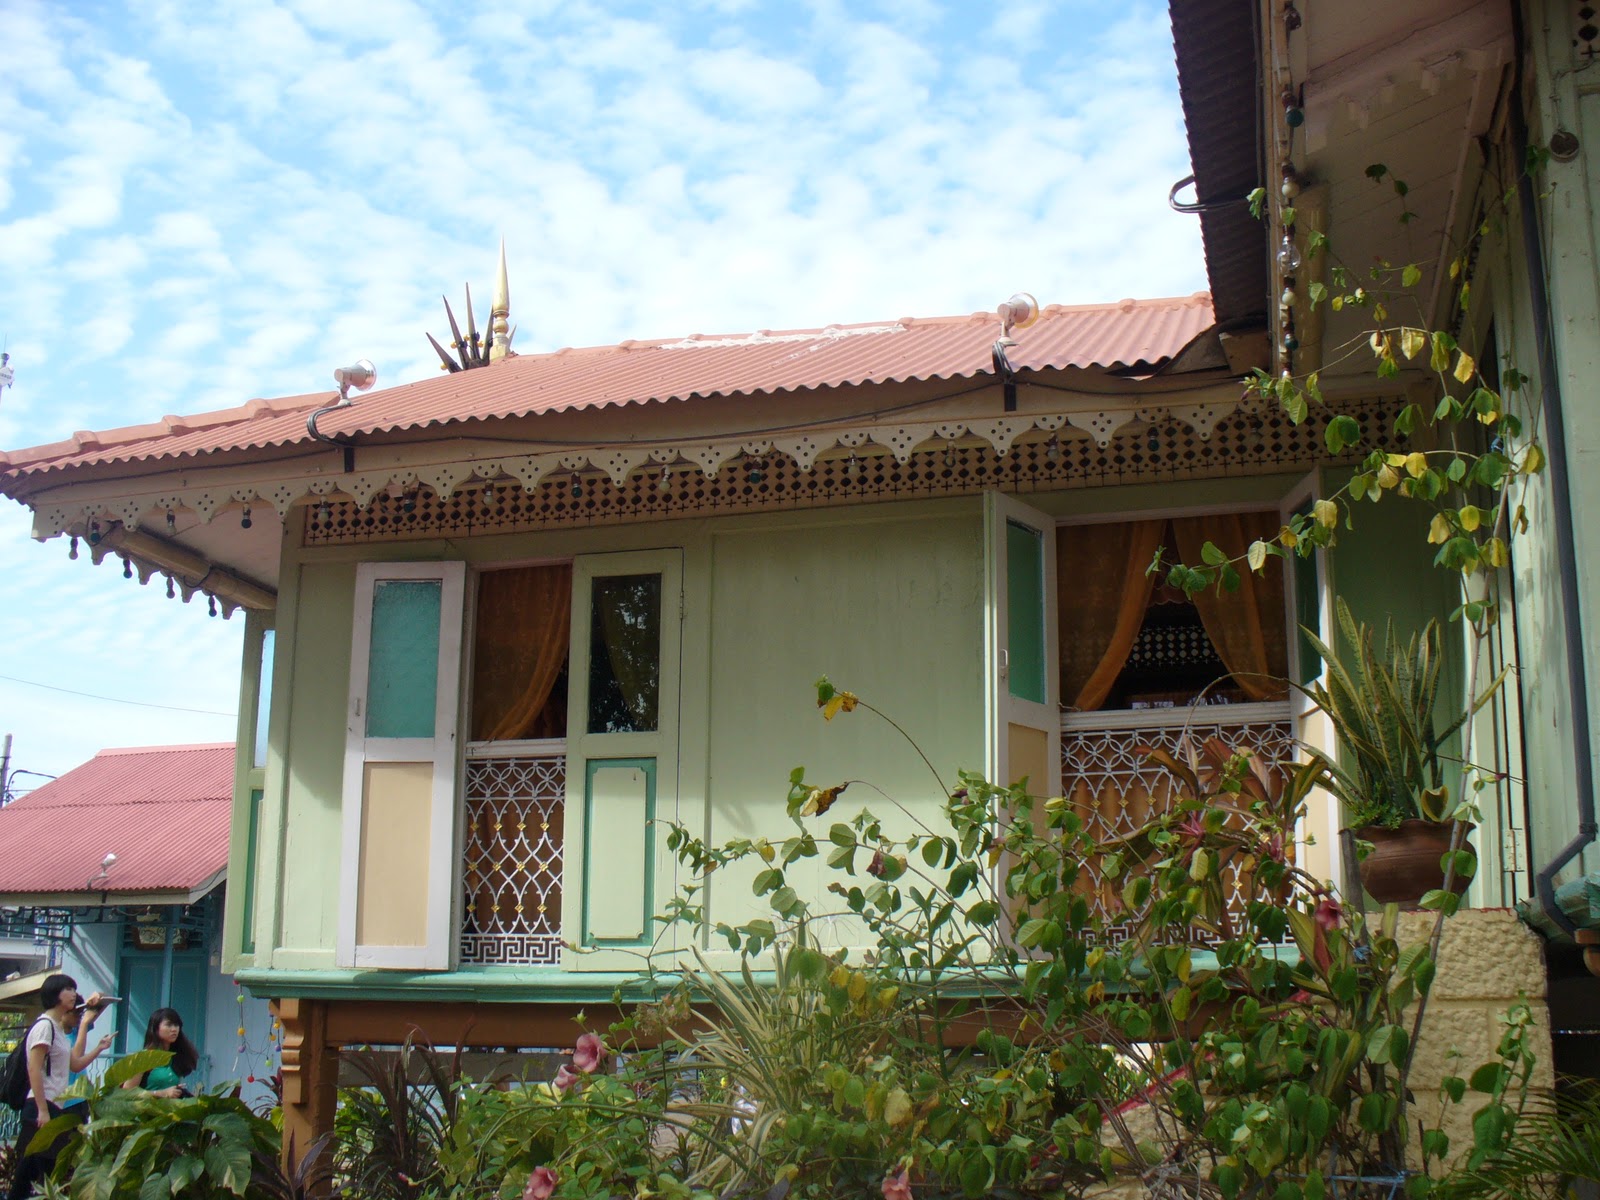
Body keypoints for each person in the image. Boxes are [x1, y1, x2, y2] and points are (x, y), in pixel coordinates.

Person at [7, 974, 112, 1200]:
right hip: (41, 1107)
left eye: (74, 989)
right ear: (54, 994)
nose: (73, 994)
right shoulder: (45, 1026)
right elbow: (34, 1068)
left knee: (35, 1172)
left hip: (53, 1106)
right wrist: (43, 1110)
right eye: (68, 989)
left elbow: (74, 1064)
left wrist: (99, 1048)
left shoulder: (57, 1029)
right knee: (37, 1171)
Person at [121, 1008, 198, 1098]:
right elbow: (127, 1093)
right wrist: (160, 1093)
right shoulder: (144, 1057)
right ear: (156, 1028)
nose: (174, 1029)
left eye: (176, 1025)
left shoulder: (174, 1056)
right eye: (169, 1025)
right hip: (147, 1106)